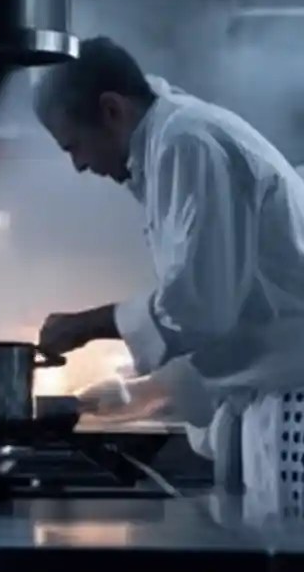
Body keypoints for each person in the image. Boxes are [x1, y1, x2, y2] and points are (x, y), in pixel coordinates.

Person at [32, 35, 304, 498]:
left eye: (73, 146)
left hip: (291, 413)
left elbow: (201, 307)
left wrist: (87, 324)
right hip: (270, 402)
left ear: (112, 110)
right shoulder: (170, 138)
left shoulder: (186, 142)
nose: (78, 165)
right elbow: (236, 316)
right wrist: (150, 391)